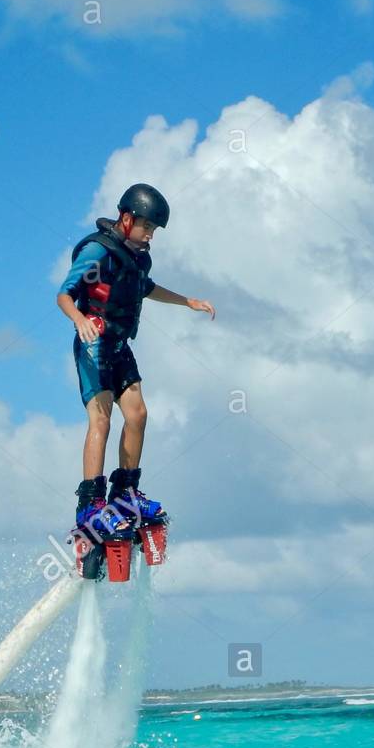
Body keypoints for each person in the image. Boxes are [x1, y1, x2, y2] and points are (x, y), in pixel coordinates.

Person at [56, 183, 215, 536]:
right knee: (102, 421)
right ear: (126, 219)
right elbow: (65, 295)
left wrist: (187, 301)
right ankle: (91, 507)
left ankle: (125, 495)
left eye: (154, 230)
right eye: (146, 227)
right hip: (94, 345)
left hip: (119, 345)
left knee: (138, 414)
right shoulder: (98, 252)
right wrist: (80, 320)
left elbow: (147, 287)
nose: (150, 235)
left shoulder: (138, 258)